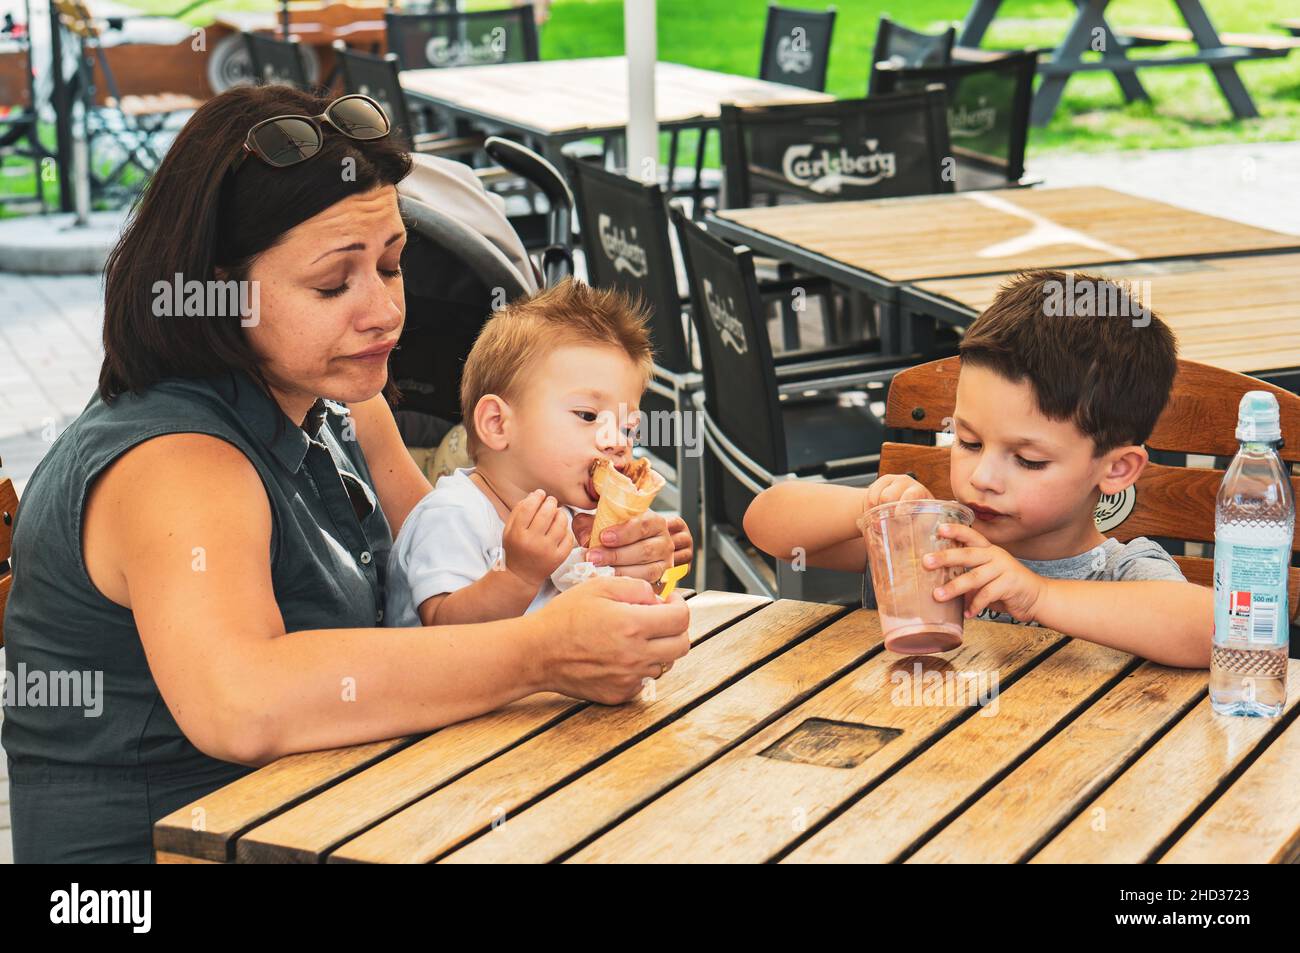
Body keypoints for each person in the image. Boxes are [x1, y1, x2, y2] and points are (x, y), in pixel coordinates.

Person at [1, 85, 692, 863]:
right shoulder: (175, 463)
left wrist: (589, 548)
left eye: (393, 266)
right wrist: (544, 652)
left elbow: (453, 544)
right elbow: (244, 702)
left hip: (334, 818)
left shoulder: (336, 403)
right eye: (333, 284)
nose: (384, 311)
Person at [744, 270, 1213, 668]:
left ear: (1115, 469)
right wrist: (868, 507)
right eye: (967, 441)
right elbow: (768, 522)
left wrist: (1039, 596)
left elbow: (1214, 631)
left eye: (1029, 460)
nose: (982, 477)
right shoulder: (929, 544)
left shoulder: (1120, 572)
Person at [386, 278, 681, 627]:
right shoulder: (455, 515)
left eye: (627, 427)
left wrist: (650, 567)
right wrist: (516, 576)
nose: (617, 441)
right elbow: (444, 628)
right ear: (497, 424)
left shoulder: (575, 515)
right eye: (587, 415)